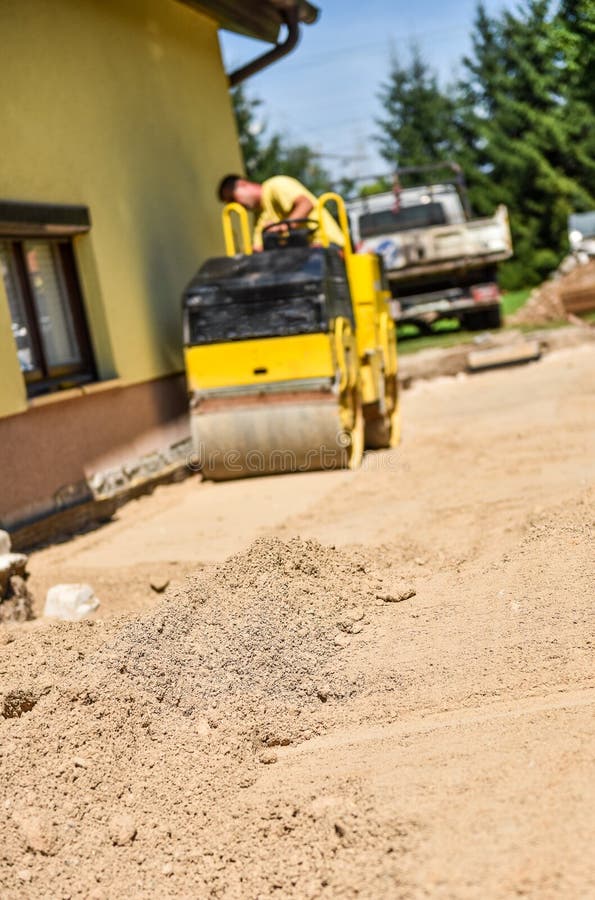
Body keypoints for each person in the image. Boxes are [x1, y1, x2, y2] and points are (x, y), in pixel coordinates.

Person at [217, 174, 345, 251]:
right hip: (307, 254)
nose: (236, 205)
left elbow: (306, 204)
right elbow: (258, 248)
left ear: (243, 184)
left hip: (328, 246)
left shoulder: (276, 185)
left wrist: (283, 226)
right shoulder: (260, 217)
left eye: (233, 199)